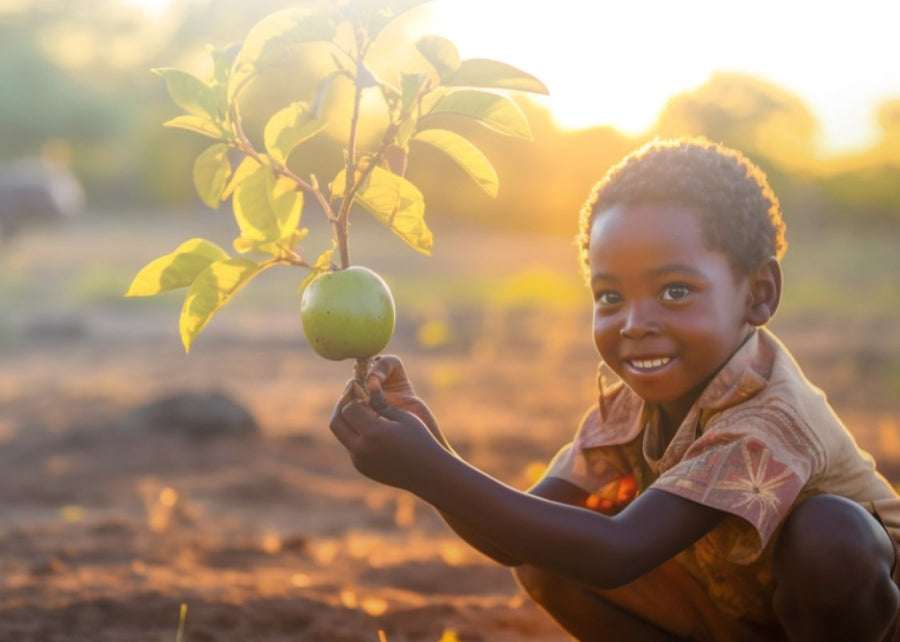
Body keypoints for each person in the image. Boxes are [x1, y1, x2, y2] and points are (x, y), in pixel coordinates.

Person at [329, 137, 900, 641]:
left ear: (759, 294)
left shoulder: (768, 418)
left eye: (675, 291)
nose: (634, 323)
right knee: (545, 551)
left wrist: (426, 467)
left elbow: (616, 553)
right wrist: (428, 440)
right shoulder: (633, 402)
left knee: (831, 536)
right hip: (756, 617)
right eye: (609, 297)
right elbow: (516, 538)